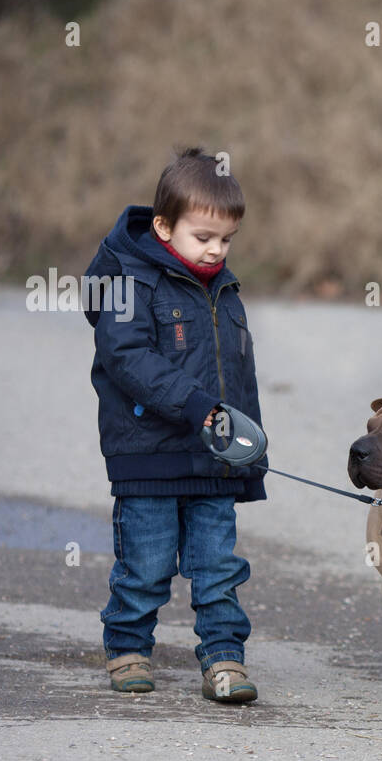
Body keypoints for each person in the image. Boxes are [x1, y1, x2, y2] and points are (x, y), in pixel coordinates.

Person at [82, 147, 266, 703]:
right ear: (163, 226)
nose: (216, 250)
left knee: (219, 567)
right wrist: (194, 406)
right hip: (148, 454)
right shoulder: (128, 280)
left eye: (226, 240)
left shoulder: (223, 291)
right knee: (146, 563)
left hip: (214, 457)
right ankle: (129, 648)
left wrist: (248, 450)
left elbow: (239, 376)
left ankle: (224, 659)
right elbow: (127, 357)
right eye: (203, 237)